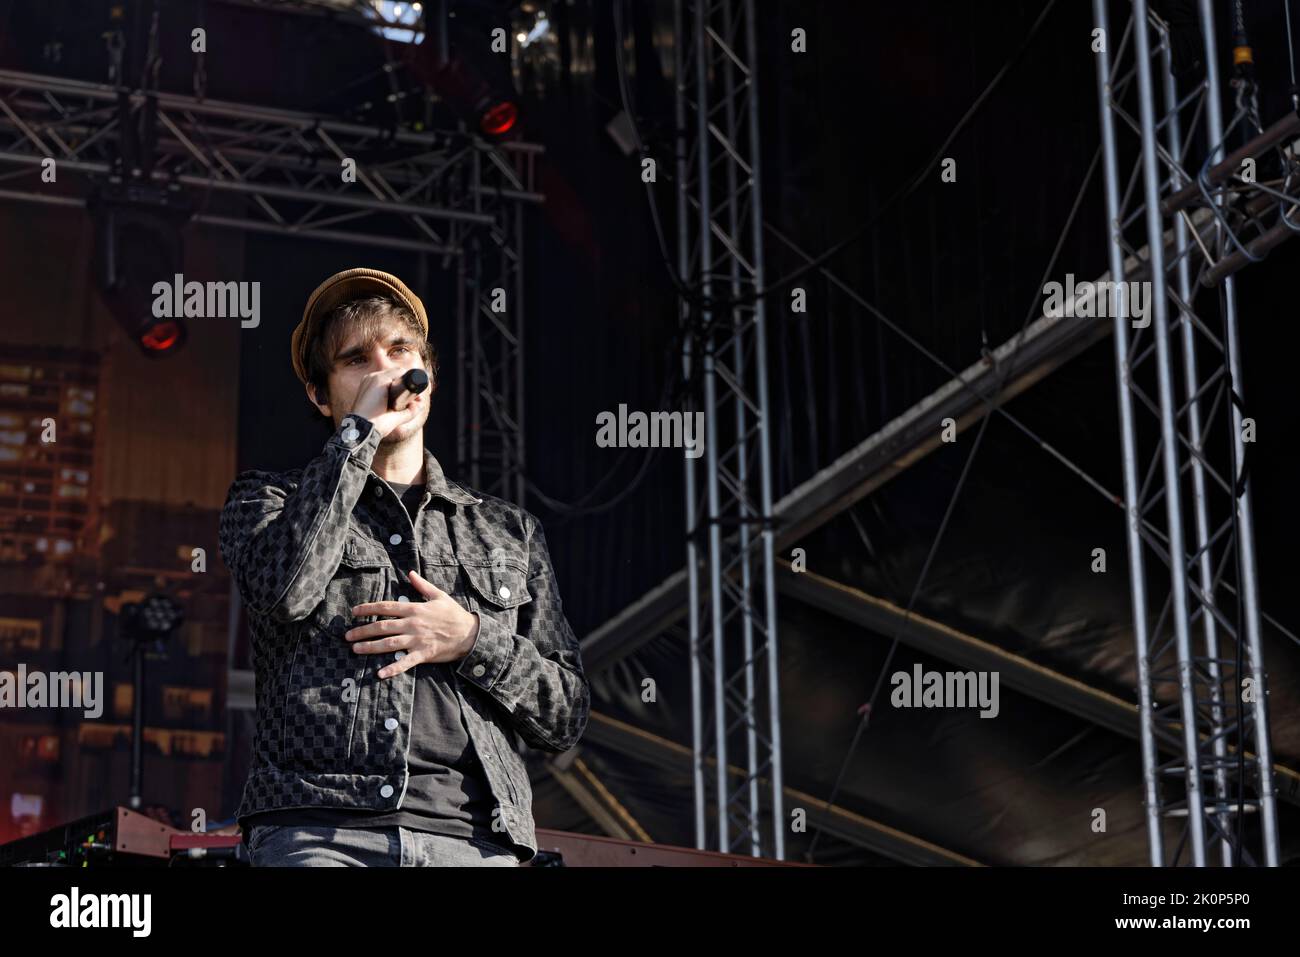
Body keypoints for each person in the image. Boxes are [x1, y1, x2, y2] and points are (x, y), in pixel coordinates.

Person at [218, 267, 589, 867]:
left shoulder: (507, 531)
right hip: (323, 831)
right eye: (357, 359)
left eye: (400, 351)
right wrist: (358, 437)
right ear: (320, 393)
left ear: (429, 373)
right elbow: (284, 590)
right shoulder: (267, 502)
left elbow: (564, 714)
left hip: (474, 839)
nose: (386, 371)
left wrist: (470, 637)